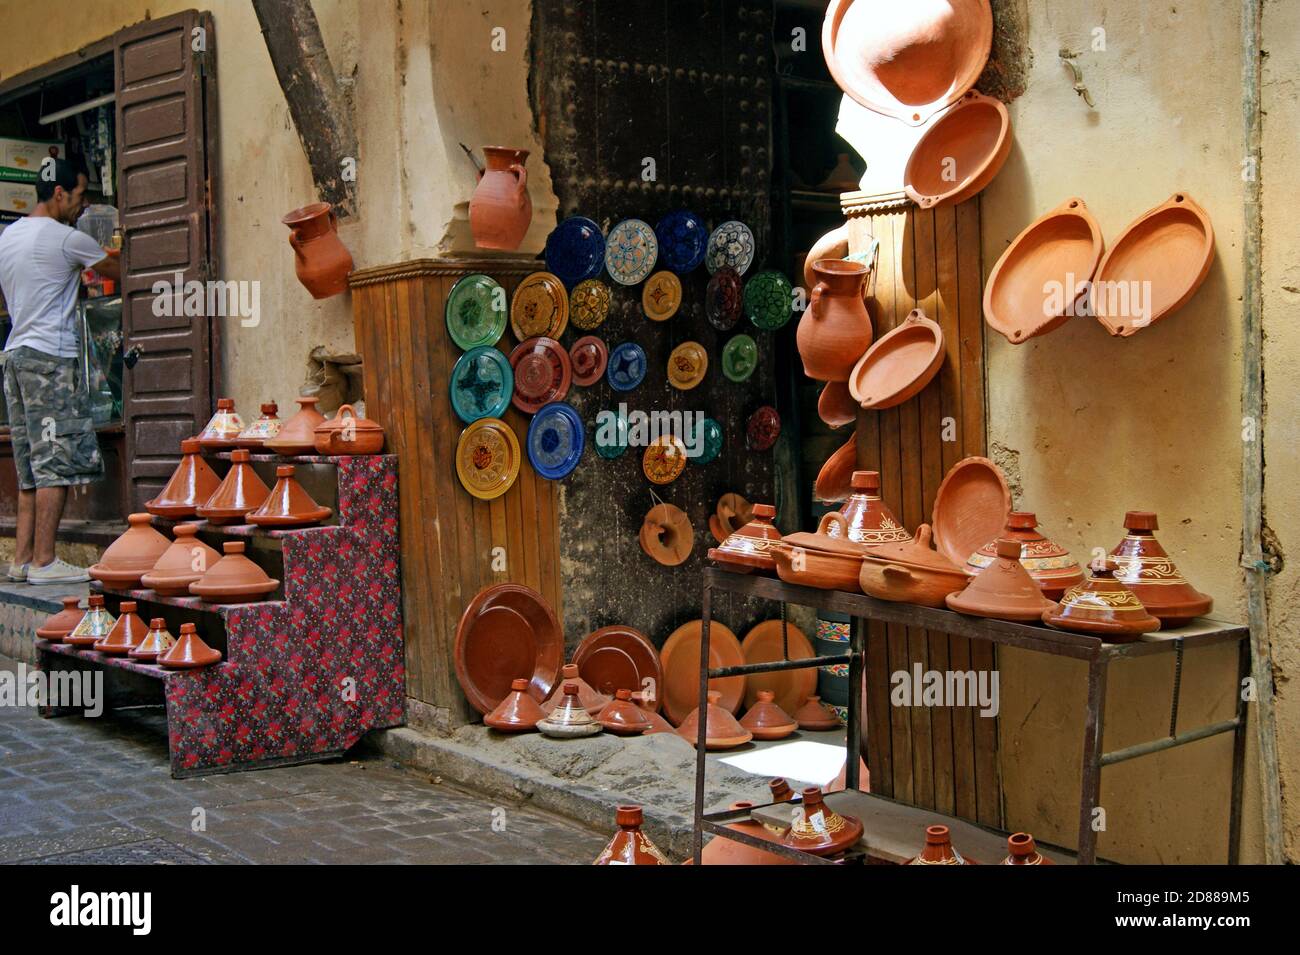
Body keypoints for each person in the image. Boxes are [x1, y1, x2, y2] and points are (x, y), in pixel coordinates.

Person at [0, 158, 120, 584]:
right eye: (80, 195)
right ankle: (47, 563)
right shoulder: (66, 238)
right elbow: (116, 268)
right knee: (57, 458)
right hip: (49, 360)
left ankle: (24, 559)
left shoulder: (8, 237)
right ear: (59, 193)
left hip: (15, 357)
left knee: (31, 464)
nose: (82, 205)